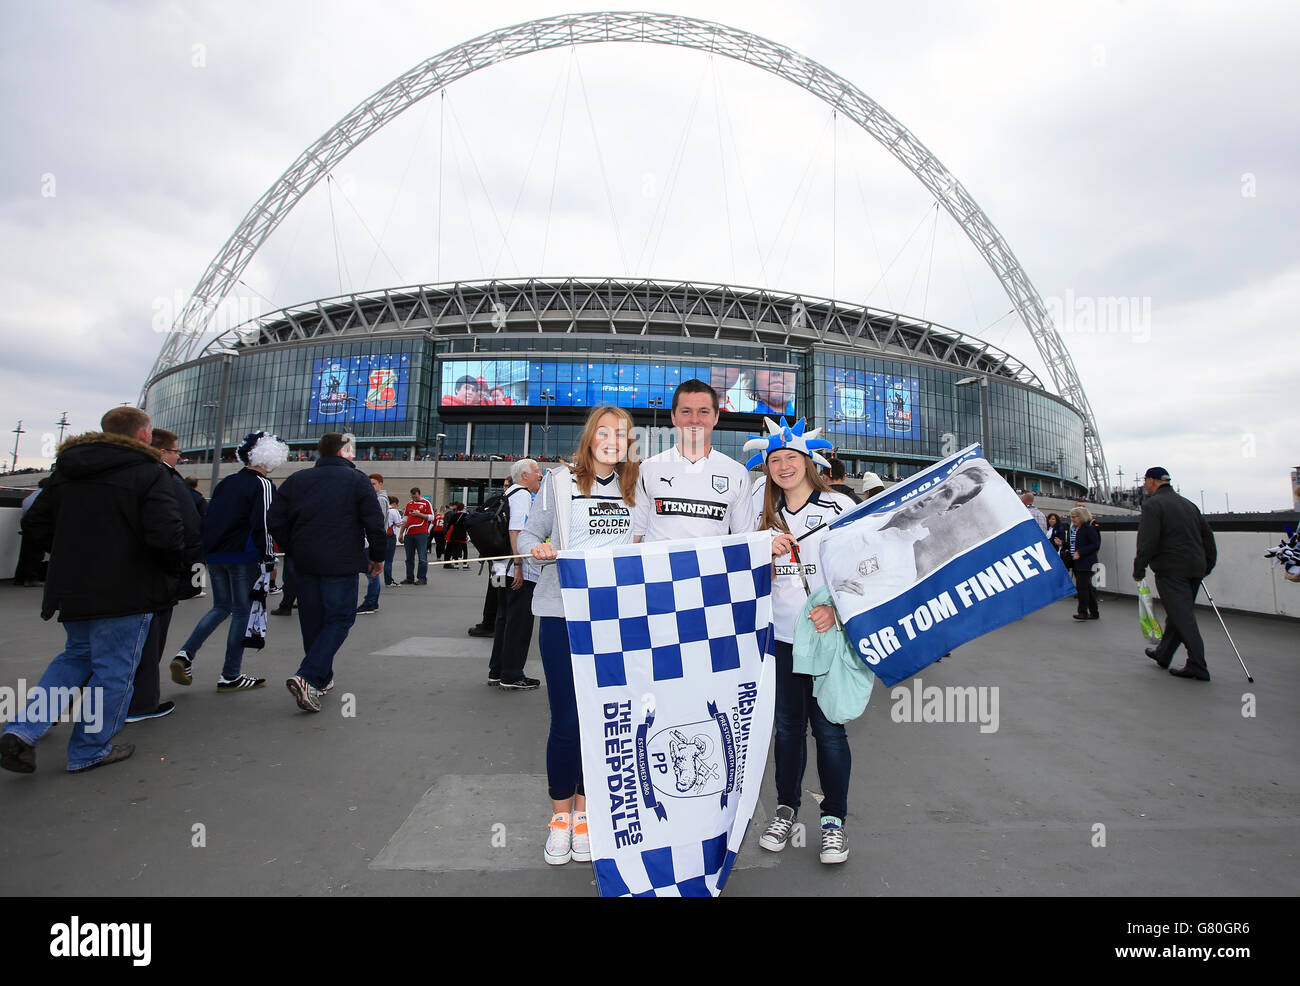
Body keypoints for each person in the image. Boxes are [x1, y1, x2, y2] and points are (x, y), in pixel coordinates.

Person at [1, 406, 183, 774]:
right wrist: (163, 571)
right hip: (126, 588)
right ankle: (88, 749)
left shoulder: (67, 470)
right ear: (145, 435)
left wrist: (72, 553)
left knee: (76, 657)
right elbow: (166, 535)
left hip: (74, 585)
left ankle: (22, 730)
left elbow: (34, 521)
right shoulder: (148, 472)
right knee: (114, 671)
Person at [519, 406, 639, 864]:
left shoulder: (638, 485)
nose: (611, 440)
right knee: (567, 720)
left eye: (621, 434)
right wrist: (540, 550)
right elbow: (527, 538)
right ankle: (560, 819)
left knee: (601, 719)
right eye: (603, 432)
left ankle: (588, 815)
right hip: (563, 615)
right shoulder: (557, 481)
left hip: (618, 619)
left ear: (630, 442)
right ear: (590, 438)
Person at [742, 417, 856, 864]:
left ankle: (833, 820)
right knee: (787, 729)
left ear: (810, 462)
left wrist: (838, 610)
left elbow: (863, 567)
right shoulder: (758, 512)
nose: (784, 465)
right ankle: (787, 807)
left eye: (792, 457)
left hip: (825, 638)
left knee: (829, 730)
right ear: (766, 466)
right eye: (775, 459)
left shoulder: (839, 507)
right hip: (779, 639)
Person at [268, 432, 386, 712]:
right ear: (344, 450)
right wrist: (378, 556)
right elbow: (374, 522)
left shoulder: (297, 480)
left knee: (312, 619)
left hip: (303, 560)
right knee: (340, 618)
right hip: (341, 561)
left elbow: (274, 518)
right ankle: (308, 676)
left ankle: (320, 677)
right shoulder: (357, 480)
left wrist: (292, 544)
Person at [172, 431, 286, 692]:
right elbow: (265, 526)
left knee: (220, 607)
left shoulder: (226, 483)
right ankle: (230, 674)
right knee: (242, 613)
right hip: (244, 555)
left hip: (216, 554)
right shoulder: (263, 485)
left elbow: (210, 518)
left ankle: (185, 654)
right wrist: (269, 560)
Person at [126, 428, 204, 723]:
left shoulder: (112, 475)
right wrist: (186, 573)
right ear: (160, 452)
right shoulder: (162, 479)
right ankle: (139, 704)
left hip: (103, 578)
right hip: (154, 576)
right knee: (148, 640)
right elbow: (185, 528)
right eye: (175, 451)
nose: (179, 456)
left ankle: (45, 712)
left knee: (86, 650)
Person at [631, 378, 757, 543]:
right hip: (659, 568)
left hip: (714, 569)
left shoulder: (737, 473)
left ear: (716, 417)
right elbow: (635, 536)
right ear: (674, 417)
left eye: (703, 411)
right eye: (686, 411)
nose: (695, 419)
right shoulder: (648, 469)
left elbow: (745, 541)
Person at [1133, 466, 1217, 681]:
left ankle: (1197, 664)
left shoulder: (1153, 505)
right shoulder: (1189, 505)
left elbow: (1147, 541)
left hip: (1171, 569)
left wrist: (1139, 568)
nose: (1144, 485)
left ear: (1152, 481)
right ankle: (1163, 653)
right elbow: (1207, 536)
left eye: (1145, 481)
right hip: (1195, 567)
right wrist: (1207, 564)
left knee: (1182, 616)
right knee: (1178, 612)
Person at [488, 459, 543, 689]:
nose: (540, 475)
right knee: (519, 622)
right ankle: (512, 674)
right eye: (537, 471)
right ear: (524, 476)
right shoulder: (521, 495)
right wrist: (519, 565)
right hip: (515, 567)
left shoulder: (508, 493)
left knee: (503, 617)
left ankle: (497, 670)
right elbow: (516, 532)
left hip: (499, 566)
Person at [357, 474, 391, 614]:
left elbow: (377, 522)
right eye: (369, 484)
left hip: (371, 541)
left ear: (380, 484)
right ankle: (371, 602)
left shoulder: (380, 500)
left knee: (372, 573)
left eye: (374, 484)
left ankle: (370, 602)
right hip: (371, 540)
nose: (371, 487)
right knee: (371, 572)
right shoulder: (377, 499)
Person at [1068, 506, 1101, 621]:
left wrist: (1080, 552)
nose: (1072, 519)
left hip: (1086, 562)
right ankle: (1093, 611)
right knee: (1088, 588)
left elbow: (1095, 544)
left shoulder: (1089, 529)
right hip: (1080, 562)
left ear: (1081, 517)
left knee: (1083, 588)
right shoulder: (1077, 529)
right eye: (1071, 517)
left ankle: (1083, 612)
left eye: (1074, 517)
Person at [402, 487, 434, 584]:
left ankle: (422, 578)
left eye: (415, 496)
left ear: (419, 494)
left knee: (422, 557)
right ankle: (409, 577)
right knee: (409, 558)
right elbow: (405, 520)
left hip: (421, 533)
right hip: (409, 533)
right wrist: (401, 534)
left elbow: (431, 517)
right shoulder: (409, 504)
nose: (414, 498)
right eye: (412, 497)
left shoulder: (426, 503)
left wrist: (419, 514)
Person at [384, 495, 403, 587]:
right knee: (388, 560)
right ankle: (388, 580)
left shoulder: (383, 509)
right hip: (390, 536)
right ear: (395, 503)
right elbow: (399, 524)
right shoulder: (393, 511)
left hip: (381, 535)